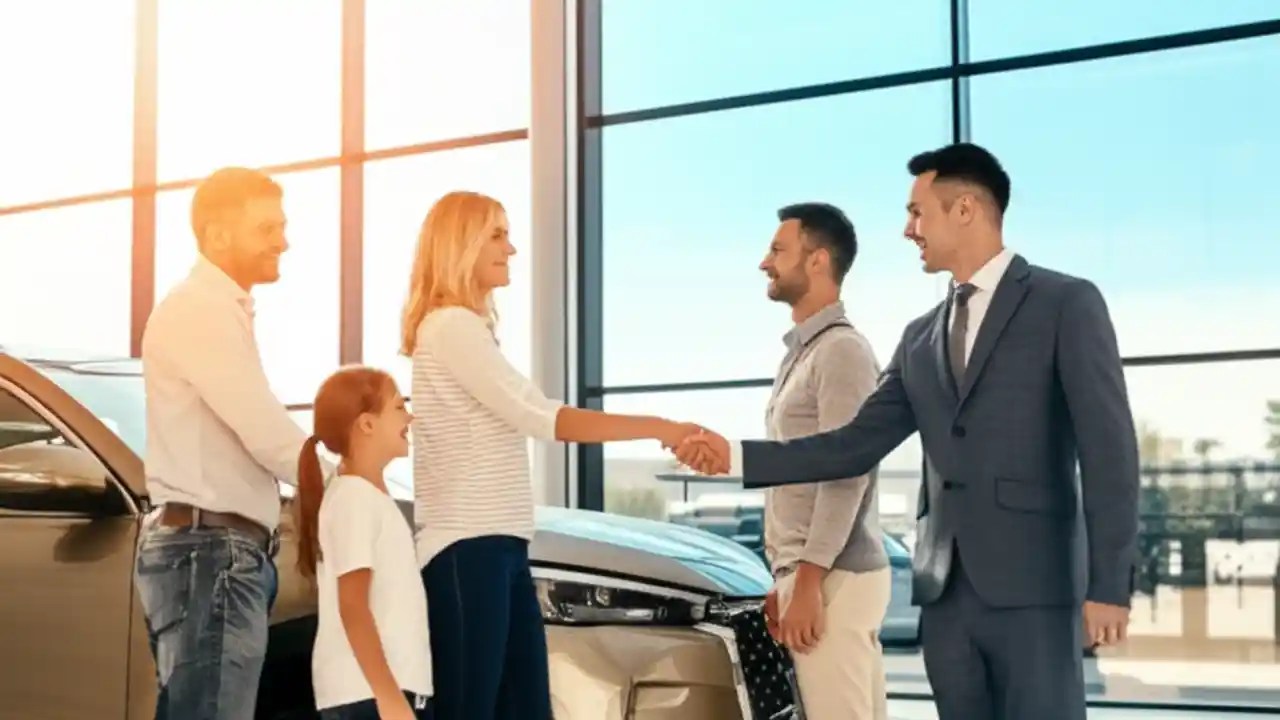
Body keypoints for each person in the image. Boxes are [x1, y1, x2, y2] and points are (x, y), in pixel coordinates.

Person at [678, 143, 1140, 720]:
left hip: (1037, 594)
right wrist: (737, 457)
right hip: (945, 600)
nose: (907, 230)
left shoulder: (1065, 303)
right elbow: (854, 445)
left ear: (965, 209)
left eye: (917, 213)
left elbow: (1109, 451)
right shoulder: (920, 337)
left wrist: (1109, 586)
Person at [400, 190, 704, 720]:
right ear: (460, 245)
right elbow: (543, 417)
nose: (511, 249)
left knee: (525, 708)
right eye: (497, 235)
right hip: (468, 549)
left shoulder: (465, 330)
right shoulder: (450, 328)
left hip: (500, 545)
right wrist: (660, 428)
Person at [135, 167, 320, 718]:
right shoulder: (200, 309)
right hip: (211, 555)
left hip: (214, 554)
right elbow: (264, 429)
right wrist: (347, 484)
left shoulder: (215, 311)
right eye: (267, 228)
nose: (283, 241)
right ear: (217, 235)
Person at [757, 202, 890, 719]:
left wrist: (809, 580)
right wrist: (787, 577)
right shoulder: (804, 353)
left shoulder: (841, 352)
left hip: (834, 578)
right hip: (818, 575)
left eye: (777, 250)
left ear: (817, 261)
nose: (765, 263)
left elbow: (846, 469)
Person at [295, 366, 433, 720]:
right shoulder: (353, 498)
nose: (410, 417)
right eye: (399, 407)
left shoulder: (364, 497)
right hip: (369, 696)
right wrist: (389, 698)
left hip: (381, 693)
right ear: (367, 424)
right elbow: (353, 605)